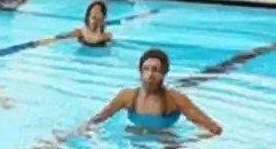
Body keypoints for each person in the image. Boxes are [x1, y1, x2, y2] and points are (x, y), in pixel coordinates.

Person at [88, 48, 222, 135]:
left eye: (155, 70)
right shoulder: (127, 96)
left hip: (166, 141)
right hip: (134, 136)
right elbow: (98, 119)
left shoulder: (176, 100)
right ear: (140, 72)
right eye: (146, 69)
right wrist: (73, 133)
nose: (150, 75)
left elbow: (213, 128)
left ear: (164, 73)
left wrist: (192, 141)